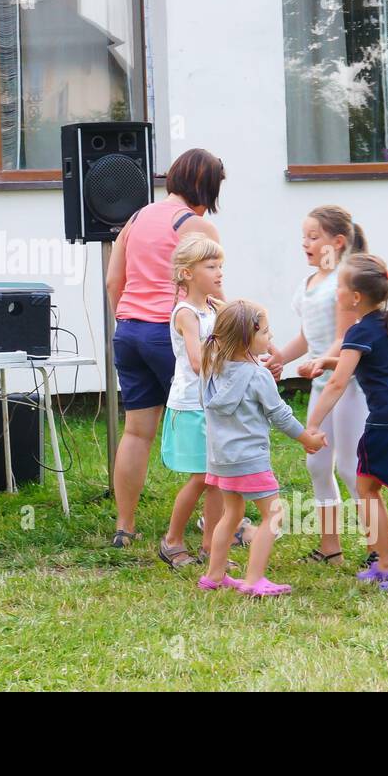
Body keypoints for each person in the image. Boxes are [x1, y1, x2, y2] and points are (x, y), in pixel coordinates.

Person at [105, 148, 227, 549]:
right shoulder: (194, 225)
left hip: (129, 332)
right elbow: (213, 290)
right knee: (213, 425)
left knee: (137, 432)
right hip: (173, 332)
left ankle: (125, 526)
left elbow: (112, 281)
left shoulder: (136, 217)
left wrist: (126, 319)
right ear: (207, 186)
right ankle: (221, 526)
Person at [304, 254, 388, 592]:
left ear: (356, 298)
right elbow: (361, 358)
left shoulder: (358, 331)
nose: (336, 293)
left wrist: (313, 425)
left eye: (340, 287)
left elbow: (337, 384)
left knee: (369, 489)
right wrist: (327, 359)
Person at [267, 205, 383, 568]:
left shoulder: (343, 283)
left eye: (313, 237)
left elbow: (343, 338)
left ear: (337, 241)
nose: (306, 243)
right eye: (304, 236)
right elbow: (308, 336)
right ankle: (330, 548)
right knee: (317, 464)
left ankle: (378, 551)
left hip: (346, 386)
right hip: (321, 383)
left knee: (351, 467)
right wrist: (280, 360)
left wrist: (319, 362)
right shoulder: (309, 284)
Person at [199, 300, 327, 596]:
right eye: (266, 333)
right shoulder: (257, 376)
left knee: (230, 514)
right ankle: (254, 579)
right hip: (249, 461)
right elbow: (280, 414)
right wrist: (306, 439)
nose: (270, 338)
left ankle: (214, 575)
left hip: (220, 459)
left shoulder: (211, 368)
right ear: (248, 338)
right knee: (274, 515)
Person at [157, 234, 232, 569]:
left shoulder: (215, 308)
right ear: (187, 273)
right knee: (202, 477)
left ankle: (210, 548)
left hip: (213, 404)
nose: (219, 272)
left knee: (216, 478)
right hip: (191, 406)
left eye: (220, 266)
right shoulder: (186, 313)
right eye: (211, 266)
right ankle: (172, 540)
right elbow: (196, 361)